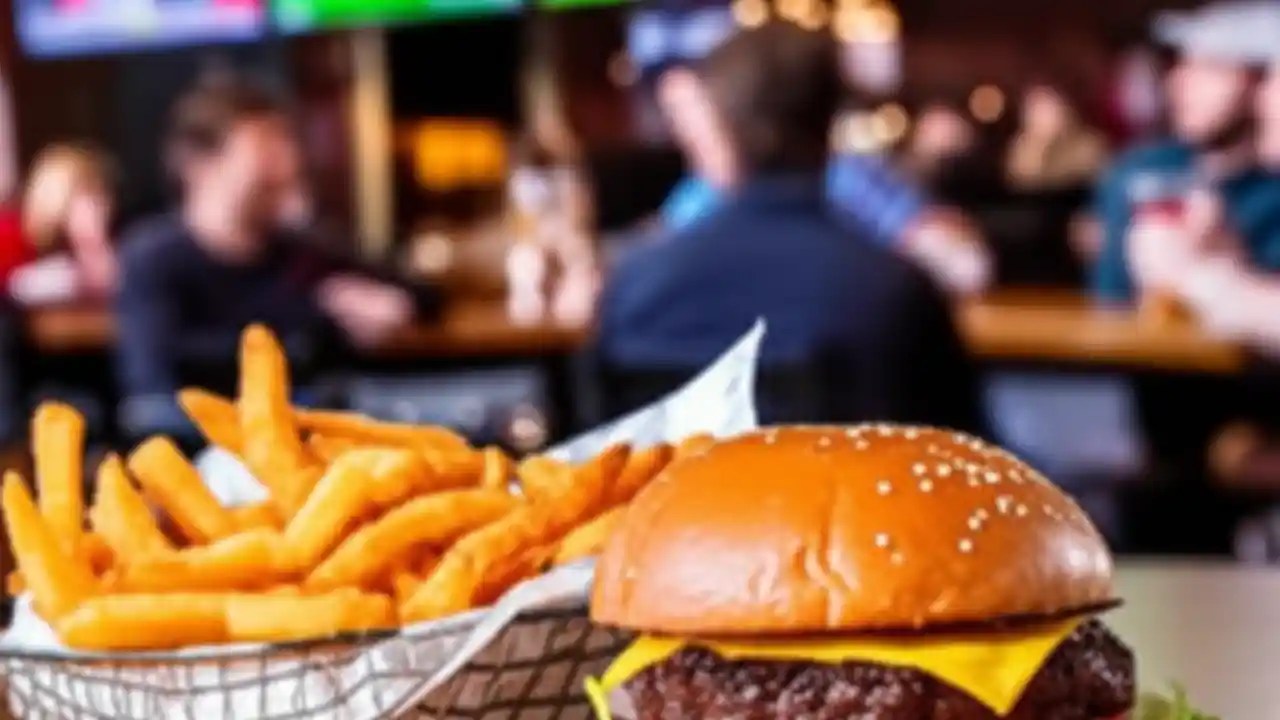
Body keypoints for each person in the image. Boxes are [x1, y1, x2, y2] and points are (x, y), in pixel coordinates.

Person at [597, 22, 982, 431]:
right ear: (829, 123)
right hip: (851, 493)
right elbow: (964, 452)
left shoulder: (633, 287)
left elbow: (602, 443)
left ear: (721, 125)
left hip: (672, 494)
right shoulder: (892, 293)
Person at [116, 79, 441, 439]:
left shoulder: (301, 248)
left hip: (320, 446)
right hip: (214, 453)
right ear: (199, 164)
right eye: (265, 147)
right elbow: (152, 389)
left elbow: (421, 294)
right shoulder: (154, 257)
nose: (288, 164)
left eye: (287, 144)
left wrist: (377, 302)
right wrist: (315, 325)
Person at [654, 66, 992, 296]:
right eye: (676, 119)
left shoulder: (846, 179)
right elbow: (654, 260)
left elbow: (967, 267)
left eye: (697, 117)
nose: (685, 135)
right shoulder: (698, 194)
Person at [1092, 0, 1280, 302]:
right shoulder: (1141, 170)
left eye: (1211, 66)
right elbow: (1111, 304)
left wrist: (1227, 261)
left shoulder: (1271, 189)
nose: (1179, 81)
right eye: (1182, 62)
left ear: (1259, 81)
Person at [11, 144, 118, 305]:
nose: (102, 205)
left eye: (102, 192)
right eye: (87, 195)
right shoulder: (40, 281)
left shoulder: (133, 259)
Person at [1007, 82, 1109, 192]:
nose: (1038, 117)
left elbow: (1079, 183)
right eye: (1033, 110)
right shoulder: (1023, 146)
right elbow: (1021, 183)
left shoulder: (1088, 145)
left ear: (1063, 109)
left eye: (1045, 109)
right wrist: (1038, 147)